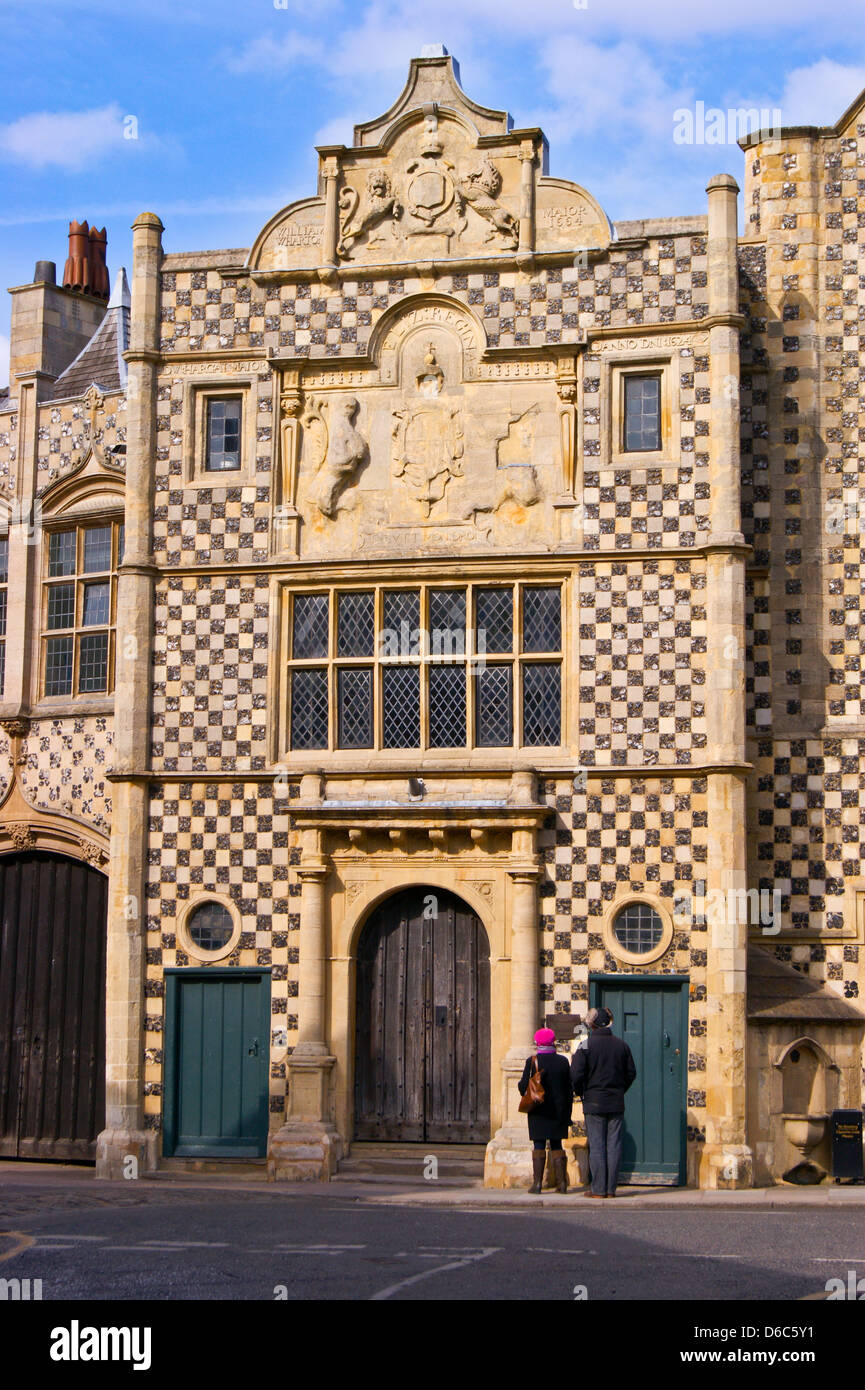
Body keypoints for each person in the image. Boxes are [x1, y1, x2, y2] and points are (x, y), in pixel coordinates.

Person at [571, 1006, 636, 1199]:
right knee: (614, 1145)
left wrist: (581, 1091)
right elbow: (631, 1073)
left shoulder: (585, 1046)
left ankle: (598, 1189)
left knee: (597, 1146)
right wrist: (619, 1089)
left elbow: (575, 1074)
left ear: (592, 1024)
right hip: (615, 1101)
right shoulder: (622, 1045)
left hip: (593, 1101)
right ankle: (610, 1189)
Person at [518, 1027, 573, 1194]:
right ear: (553, 1041)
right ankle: (562, 1183)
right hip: (558, 1110)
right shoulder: (563, 1061)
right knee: (557, 1144)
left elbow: (522, 1087)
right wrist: (567, 1114)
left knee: (539, 1144)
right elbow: (569, 1089)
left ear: (537, 1043)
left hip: (538, 1110)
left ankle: (537, 1184)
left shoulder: (532, 1061)